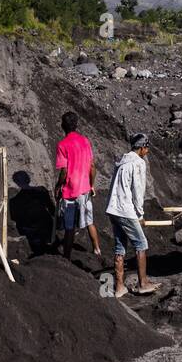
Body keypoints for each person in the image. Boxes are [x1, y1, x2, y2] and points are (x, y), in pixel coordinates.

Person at [105, 133, 157, 297]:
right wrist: (140, 215)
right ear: (142, 148)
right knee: (141, 244)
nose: (147, 151)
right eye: (146, 148)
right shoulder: (138, 163)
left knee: (120, 246)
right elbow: (138, 191)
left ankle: (119, 288)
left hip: (113, 209)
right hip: (125, 210)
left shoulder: (121, 161)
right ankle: (143, 283)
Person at [54, 111, 100, 260]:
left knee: (69, 227)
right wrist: (91, 184)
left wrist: (58, 186)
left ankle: (67, 257)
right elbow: (92, 166)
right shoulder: (85, 141)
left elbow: (65, 170)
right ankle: (97, 249)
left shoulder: (63, 145)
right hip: (84, 189)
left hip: (70, 191)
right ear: (76, 124)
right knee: (89, 221)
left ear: (63, 125)